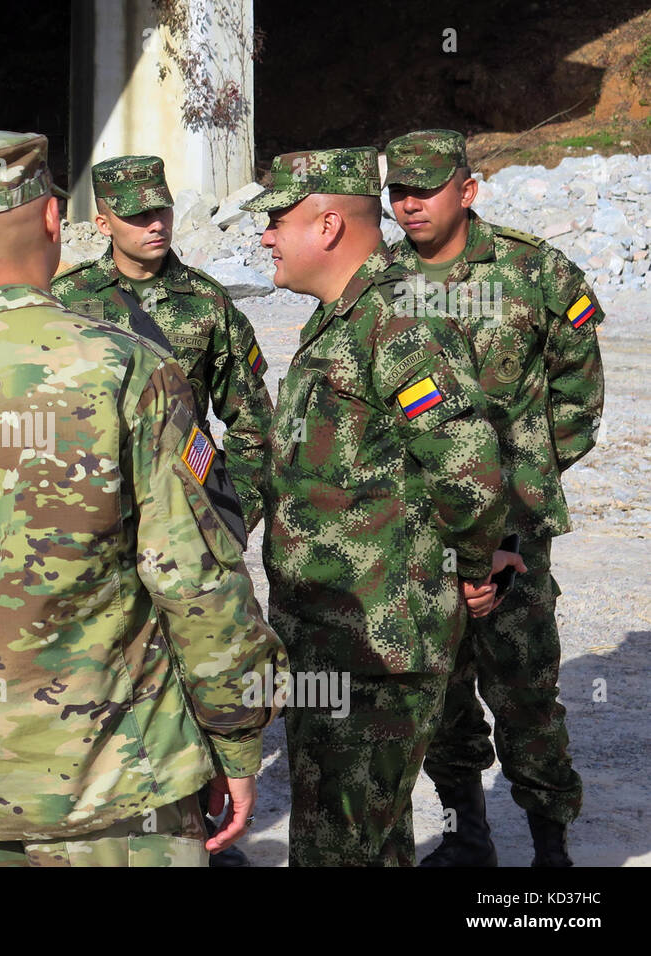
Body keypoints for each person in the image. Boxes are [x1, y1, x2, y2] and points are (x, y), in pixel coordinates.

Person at [0, 129, 287, 867]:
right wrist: (237, 735)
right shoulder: (127, 372)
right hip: (122, 793)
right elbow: (197, 583)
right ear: (54, 220)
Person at [240, 146, 514, 866]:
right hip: (337, 640)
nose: (266, 235)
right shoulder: (344, 318)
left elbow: (471, 466)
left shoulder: (395, 322)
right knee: (359, 844)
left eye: (277, 219)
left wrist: (472, 565)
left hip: (378, 645)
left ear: (327, 225)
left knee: (339, 850)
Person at [384, 129, 603, 867]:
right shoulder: (378, 281)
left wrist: (527, 482)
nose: (409, 203)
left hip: (513, 530)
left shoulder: (535, 270)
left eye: (425, 188)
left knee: (526, 691)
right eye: (396, 192)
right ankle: (464, 836)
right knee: (441, 694)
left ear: (468, 191)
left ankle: (551, 848)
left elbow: (579, 391)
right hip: (420, 531)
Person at [51, 156, 273, 532]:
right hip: (90, 515)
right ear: (103, 224)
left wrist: (232, 512)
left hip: (182, 514)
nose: (155, 224)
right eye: (138, 215)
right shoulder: (66, 299)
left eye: (161, 210)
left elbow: (254, 422)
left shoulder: (208, 301)